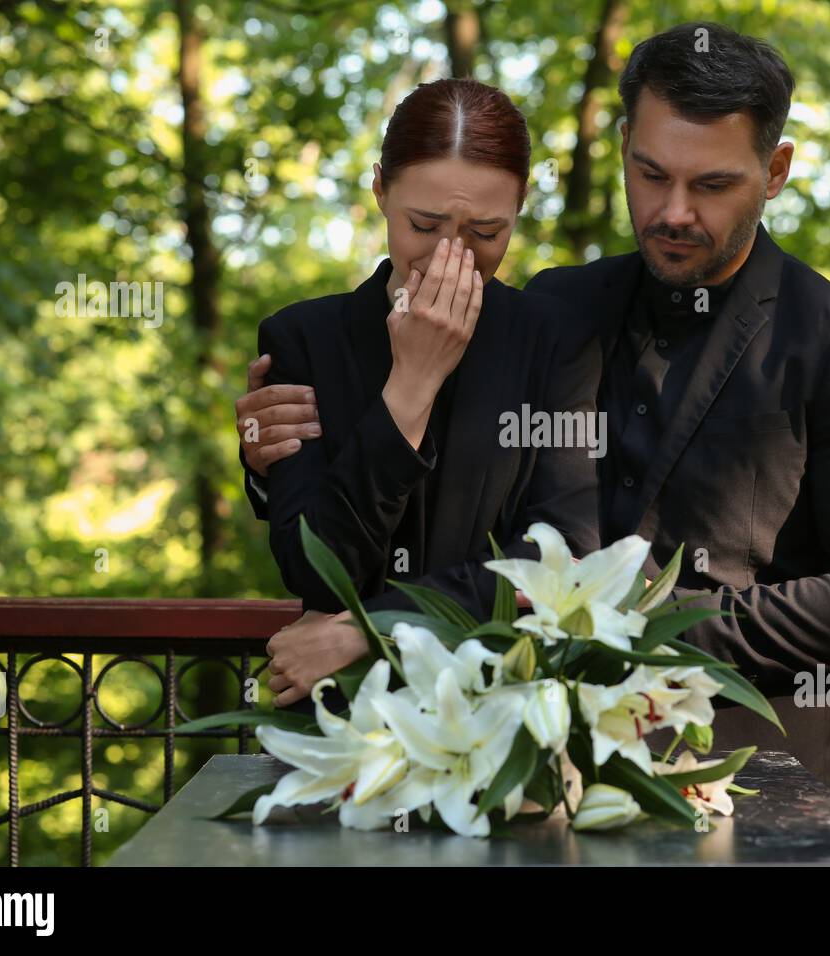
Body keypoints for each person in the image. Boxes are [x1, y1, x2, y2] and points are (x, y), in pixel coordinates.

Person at [239, 24, 830, 796]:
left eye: (711, 184)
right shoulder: (554, 307)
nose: (672, 211)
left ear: (774, 173)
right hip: (522, 770)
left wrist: (610, 621)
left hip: (745, 774)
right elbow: (443, 498)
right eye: (650, 174)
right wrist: (276, 463)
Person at [239, 78, 601, 709]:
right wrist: (411, 384)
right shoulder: (301, 339)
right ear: (380, 189)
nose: (448, 257)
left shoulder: (557, 340)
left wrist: (370, 628)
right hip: (343, 718)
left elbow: (556, 555)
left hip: (508, 707)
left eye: (486, 232)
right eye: (424, 224)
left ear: (519, 208)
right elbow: (316, 566)